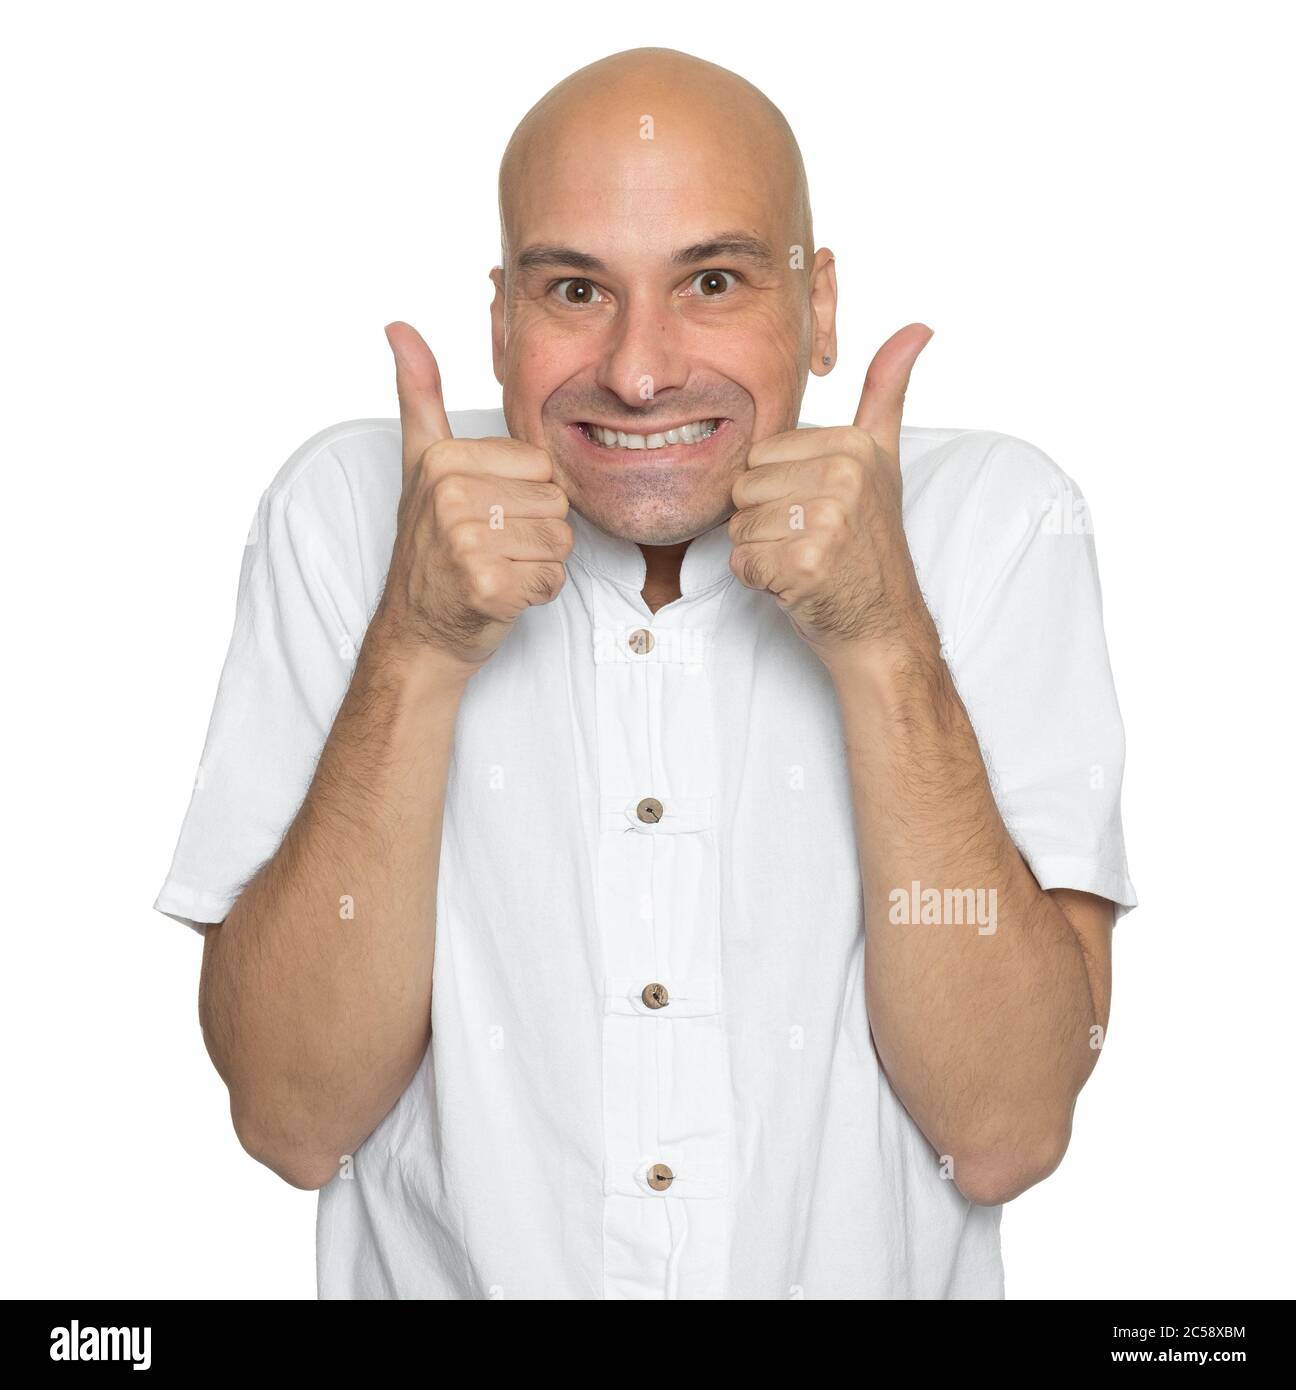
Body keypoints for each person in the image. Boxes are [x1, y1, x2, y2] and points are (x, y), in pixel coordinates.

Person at [154, 46, 1137, 1300]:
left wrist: (886, 642)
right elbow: (292, 1121)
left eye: (712, 280)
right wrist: (417, 646)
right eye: (575, 289)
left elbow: (1005, 1128)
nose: (637, 370)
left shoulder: (998, 518)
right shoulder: (345, 510)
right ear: (500, 319)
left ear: (819, 306)